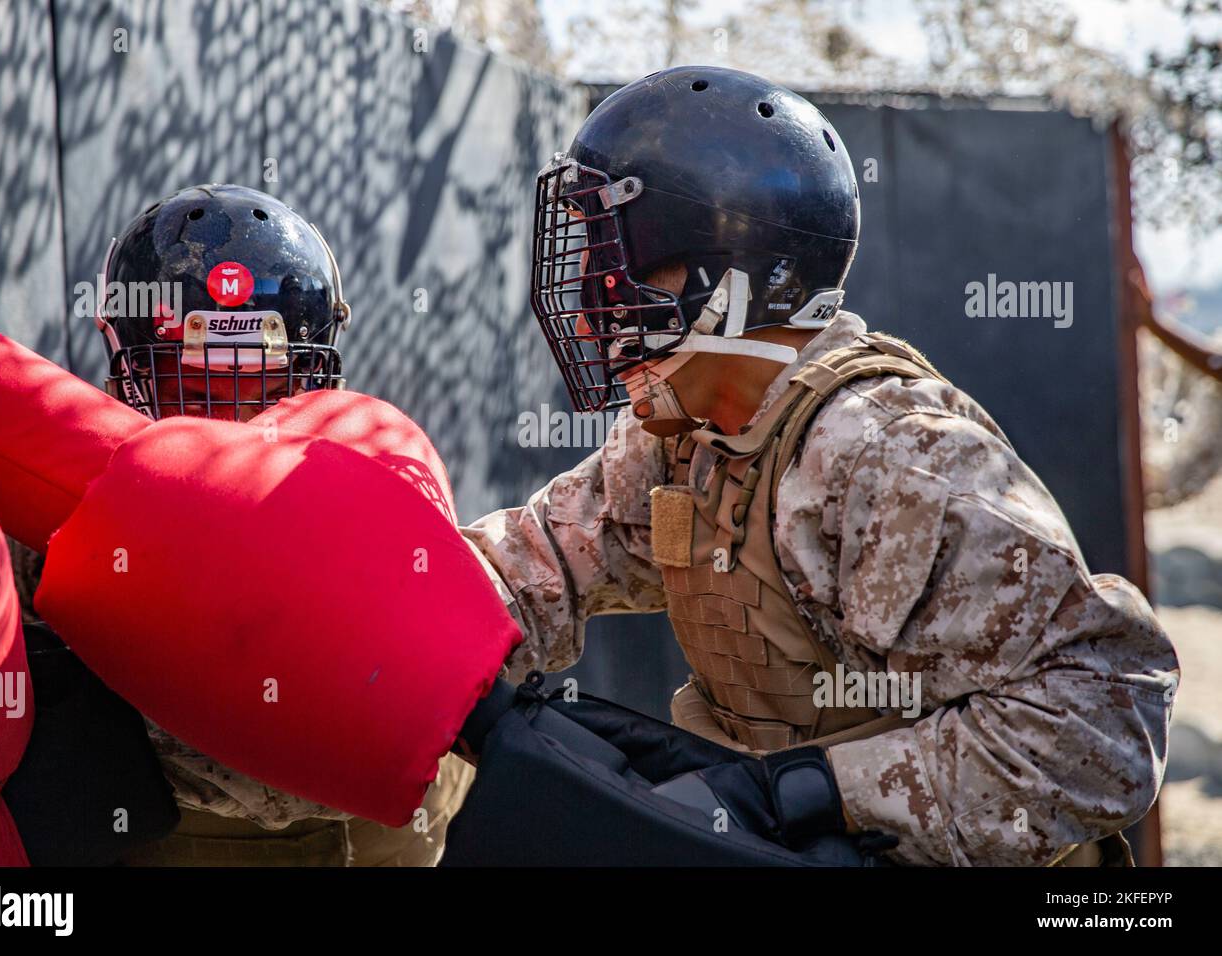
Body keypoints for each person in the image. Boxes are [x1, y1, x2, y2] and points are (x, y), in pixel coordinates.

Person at [461, 66, 1179, 866]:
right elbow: (539, 563)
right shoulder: (689, 433)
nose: (595, 307)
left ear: (725, 284)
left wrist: (814, 791)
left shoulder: (891, 457)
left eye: (619, 269)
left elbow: (1108, 717)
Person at [7, 183, 472, 866]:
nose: (231, 425)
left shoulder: (380, 480)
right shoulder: (61, 505)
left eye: (259, 395)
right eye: (196, 394)